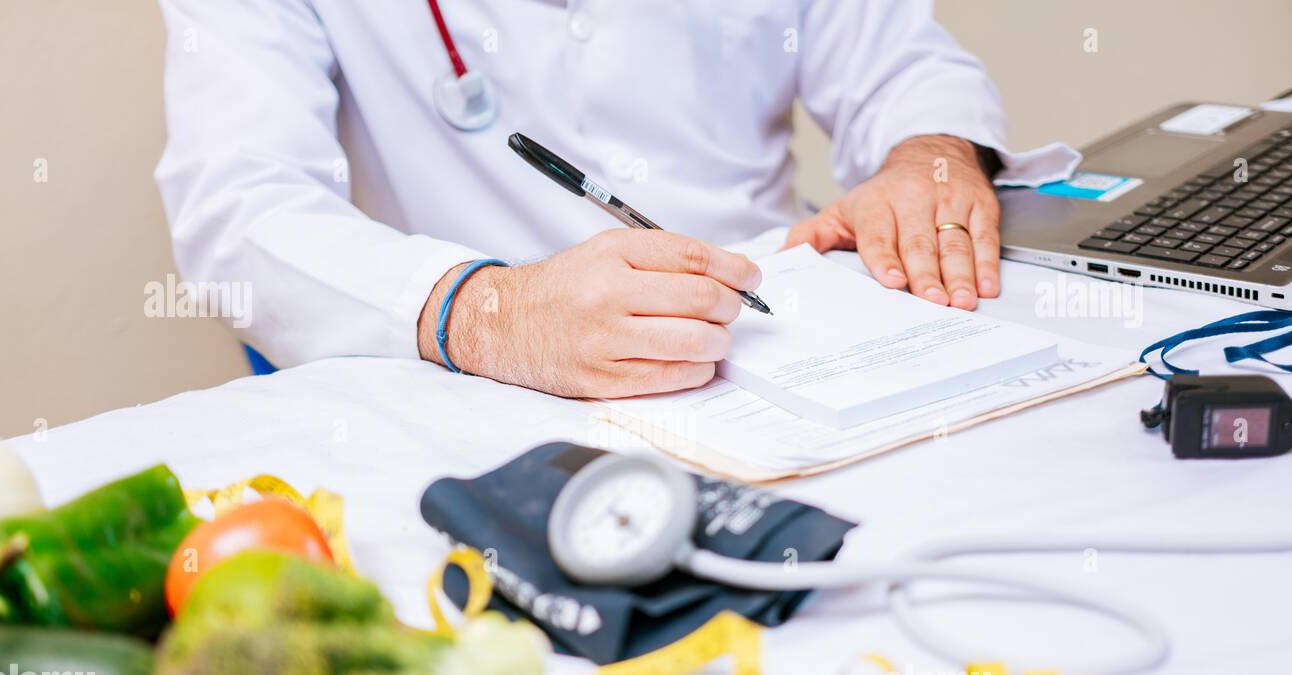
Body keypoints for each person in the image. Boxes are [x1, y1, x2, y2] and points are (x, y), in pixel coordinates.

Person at [155, 0, 1074, 398]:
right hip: (483, 384)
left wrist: (930, 155)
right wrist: (492, 314)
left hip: (784, 336)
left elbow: (898, 60)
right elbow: (239, 203)